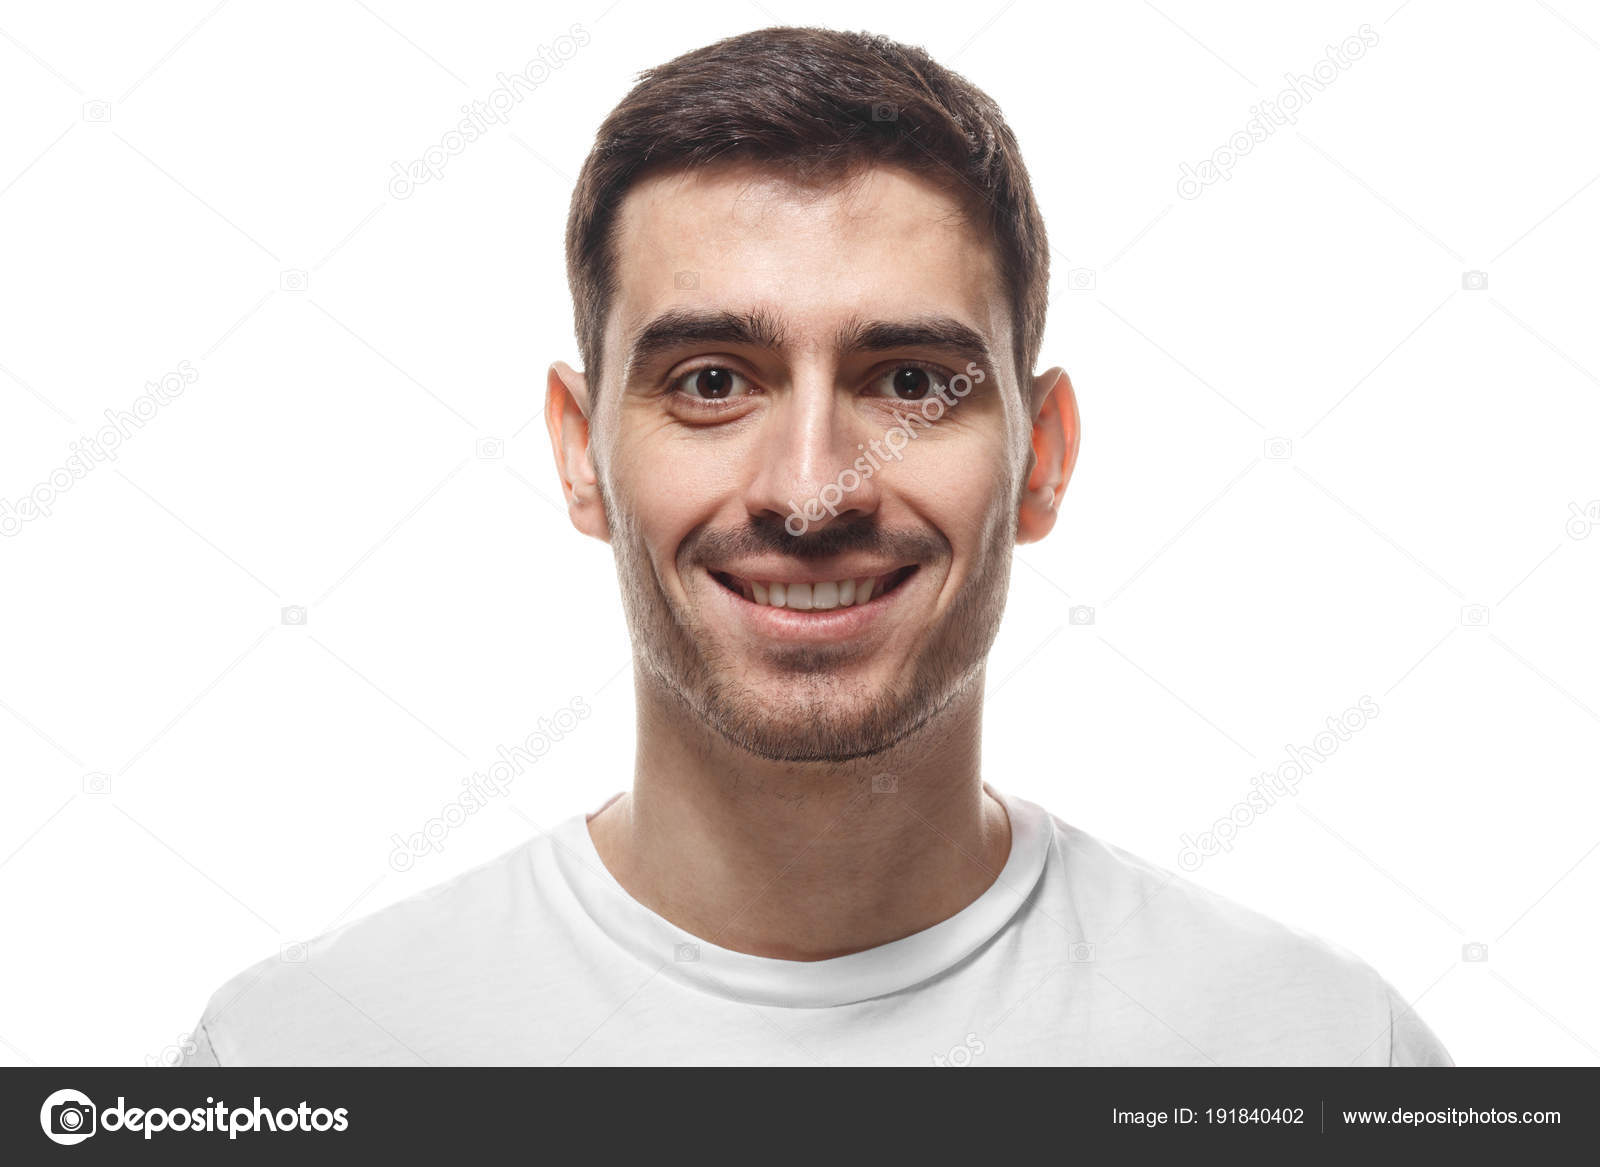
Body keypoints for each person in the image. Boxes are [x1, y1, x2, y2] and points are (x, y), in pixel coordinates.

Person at [185, 26, 1450, 1066]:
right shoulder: (300, 1059)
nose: (808, 491)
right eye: (711, 379)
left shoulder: (1318, 1054)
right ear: (580, 452)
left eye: (909, 382)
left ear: (1042, 455)